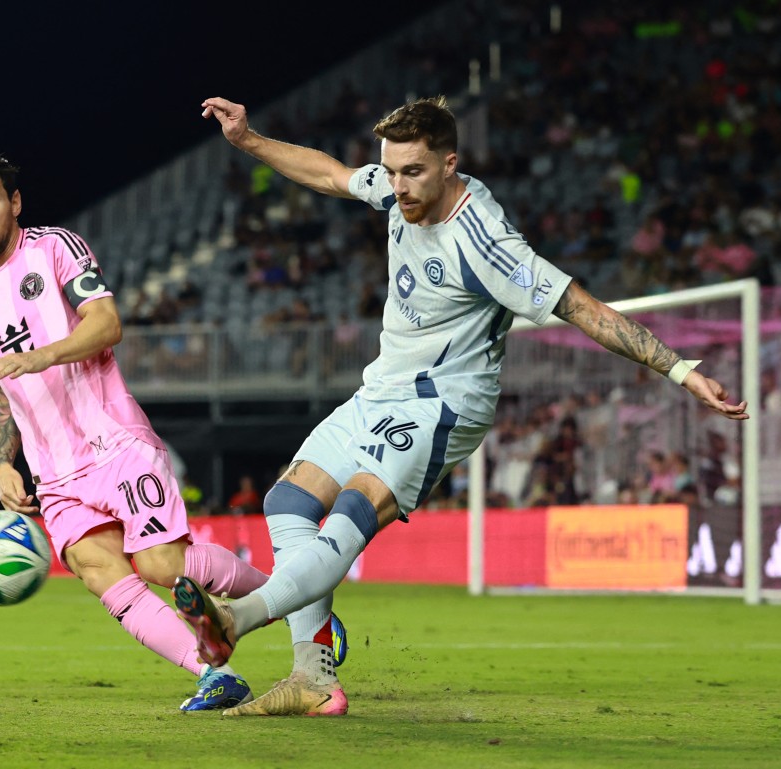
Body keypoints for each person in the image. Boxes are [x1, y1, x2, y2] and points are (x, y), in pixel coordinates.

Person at [171, 96, 750, 717]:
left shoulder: (486, 241)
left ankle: (238, 619)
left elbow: (582, 308)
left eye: (412, 173)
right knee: (285, 501)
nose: (397, 188)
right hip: (382, 388)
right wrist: (250, 140)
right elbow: (331, 174)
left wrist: (682, 370)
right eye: (390, 172)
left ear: (450, 164)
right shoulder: (399, 190)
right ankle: (313, 678)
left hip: (442, 403)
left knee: (352, 507)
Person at [0, 150, 346, 712]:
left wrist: (40, 357)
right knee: (97, 569)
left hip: (114, 442)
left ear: (14, 203)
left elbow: (107, 325)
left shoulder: (55, 248)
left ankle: (303, 605)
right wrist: (2, 461)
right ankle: (213, 674)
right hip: (54, 472)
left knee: (161, 565)